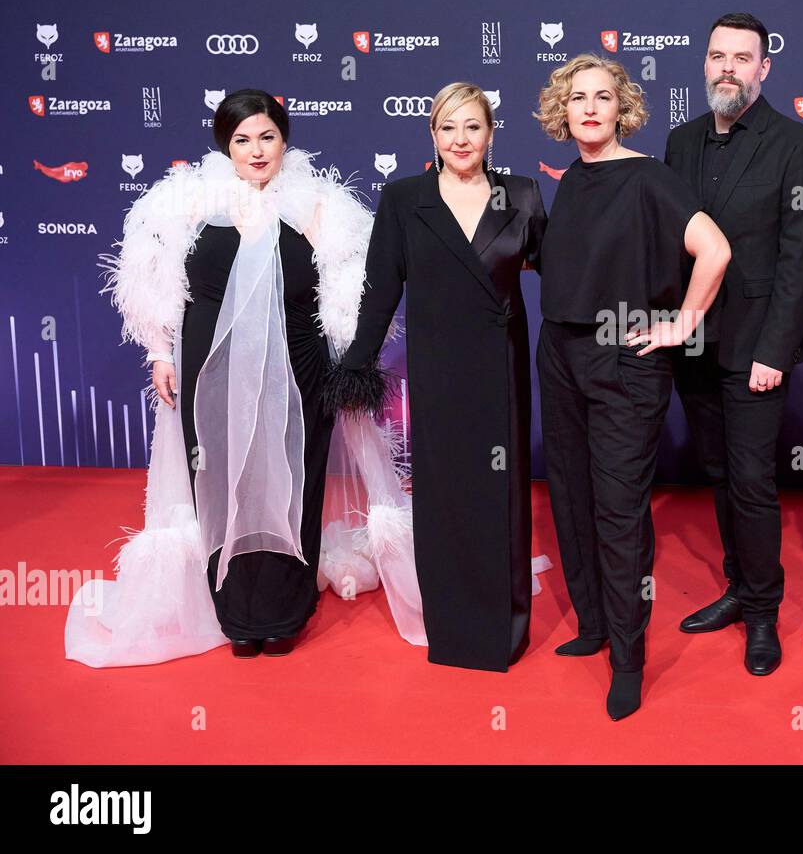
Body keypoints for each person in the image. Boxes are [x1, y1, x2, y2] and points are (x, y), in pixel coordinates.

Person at [66, 89, 419, 667]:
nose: (256, 151)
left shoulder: (320, 206)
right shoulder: (185, 203)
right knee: (219, 480)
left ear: (285, 140)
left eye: (268, 137)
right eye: (242, 139)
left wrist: (351, 359)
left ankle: (285, 610)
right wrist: (161, 352)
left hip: (301, 366)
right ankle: (232, 610)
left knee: (293, 481)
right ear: (224, 145)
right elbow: (151, 280)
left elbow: (356, 290)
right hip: (209, 368)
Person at [534, 54, 730, 719]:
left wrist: (685, 322)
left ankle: (628, 657)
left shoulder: (651, 177)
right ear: (563, 109)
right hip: (558, 350)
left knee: (618, 511)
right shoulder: (571, 182)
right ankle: (592, 624)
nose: (589, 107)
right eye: (578, 97)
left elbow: (716, 249)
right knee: (572, 492)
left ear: (624, 107)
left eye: (602, 97)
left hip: (625, 357)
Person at [331, 83, 549, 672]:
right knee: (445, 499)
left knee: (498, 497)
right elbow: (380, 291)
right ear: (432, 135)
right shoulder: (404, 198)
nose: (460, 140)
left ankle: (502, 631)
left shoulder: (522, 195)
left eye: (472, 127)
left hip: (497, 373)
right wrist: (357, 365)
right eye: (448, 127)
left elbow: (561, 276)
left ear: (490, 134)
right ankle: (452, 629)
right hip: (437, 372)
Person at [664, 12, 803, 676]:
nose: (727, 67)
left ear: (764, 68)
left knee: (754, 482)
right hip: (695, 343)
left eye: (742, 57)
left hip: (757, 347)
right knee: (719, 475)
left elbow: (800, 260)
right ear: (704, 64)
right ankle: (737, 587)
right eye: (717, 56)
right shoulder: (680, 142)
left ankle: (763, 614)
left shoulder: (797, 145)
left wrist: (775, 351)